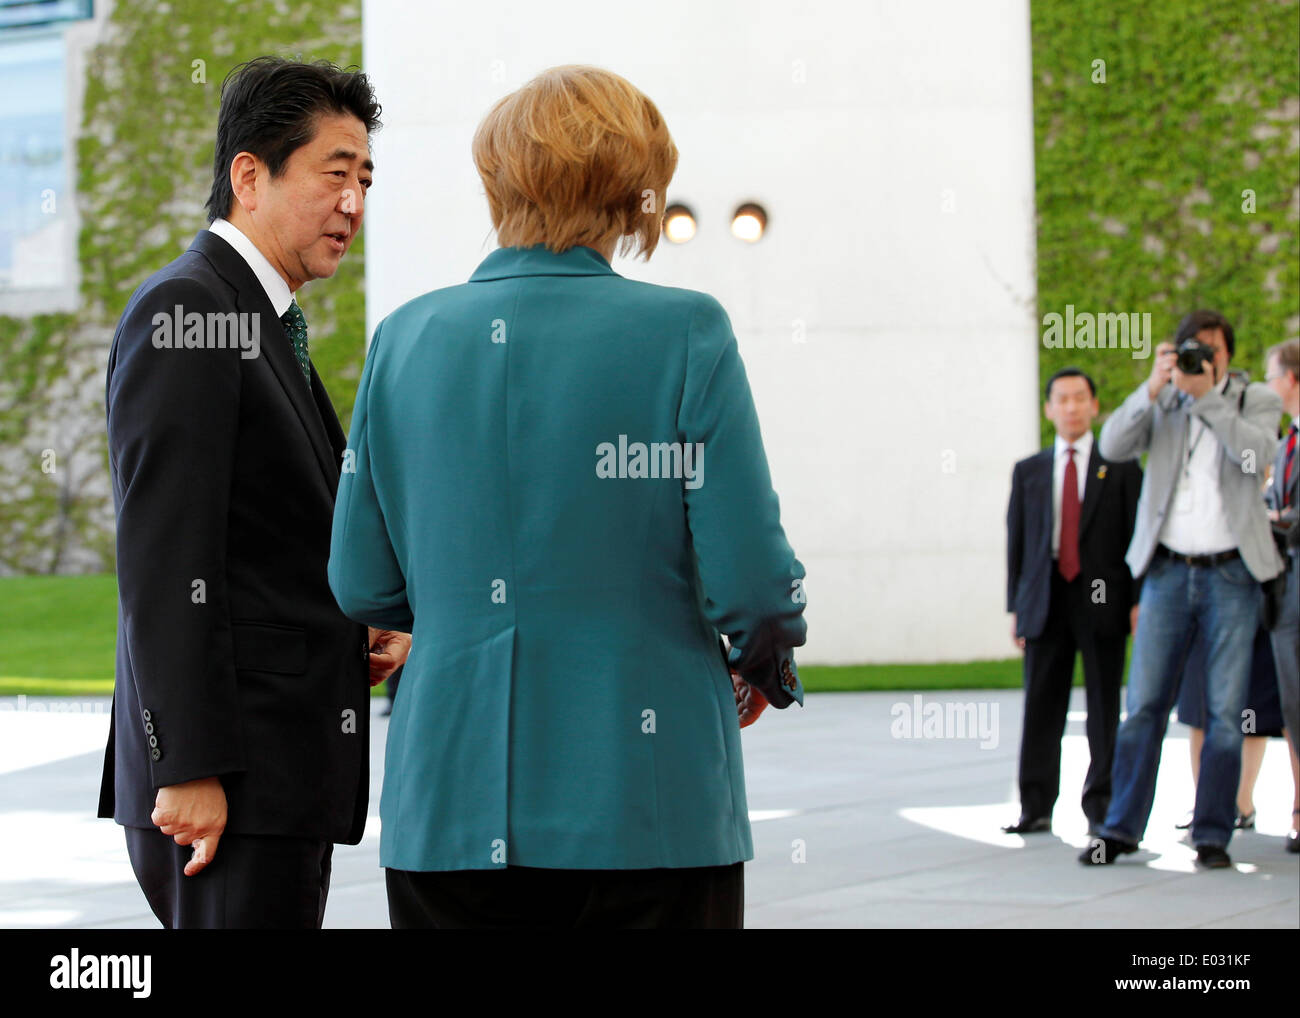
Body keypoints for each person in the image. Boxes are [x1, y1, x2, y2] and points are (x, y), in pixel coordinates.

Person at [327, 64, 807, 929]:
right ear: (634, 188)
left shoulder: (402, 339)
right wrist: (766, 662)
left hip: (451, 804)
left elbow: (362, 584)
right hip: (645, 808)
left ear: (497, 180)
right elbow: (757, 588)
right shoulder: (687, 333)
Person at [99, 57, 408, 928]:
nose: (354, 205)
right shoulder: (189, 312)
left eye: (366, 181)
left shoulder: (262, 321)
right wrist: (184, 764)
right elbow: (165, 559)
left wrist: (362, 622)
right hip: (228, 789)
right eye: (334, 174)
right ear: (249, 176)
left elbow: (264, 540)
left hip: (278, 781)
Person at [1082, 310, 1283, 868]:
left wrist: (1209, 398)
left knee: (1223, 711)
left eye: (1210, 352)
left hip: (1232, 575)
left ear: (1227, 356)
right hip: (1168, 572)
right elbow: (1114, 446)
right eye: (1191, 349)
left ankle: (1213, 833)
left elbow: (1257, 455)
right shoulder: (1164, 401)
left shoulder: (1255, 399)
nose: (1199, 360)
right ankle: (1119, 828)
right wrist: (1152, 388)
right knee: (1144, 704)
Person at [1004, 368, 1142, 837]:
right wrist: (1016, 607)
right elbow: (1017, 544)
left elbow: (1134, 538)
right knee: (1042, 705)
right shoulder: (1030, 471)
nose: (1071, 407)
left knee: (1104, 705)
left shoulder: (1120, 466)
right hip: (1045, 600)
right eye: (1062, 399)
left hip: (1102, 600)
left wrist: (1137, 600)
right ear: (1049, 409)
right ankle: (1035, 805)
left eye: (1080, 398)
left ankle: (1101, 805)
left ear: (1094, 405)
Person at [1263, 338, 1300, 852]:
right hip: (1284, 591)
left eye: (1272, 375)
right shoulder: (1284, 442)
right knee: (1294, 703)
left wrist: (1280, 521)